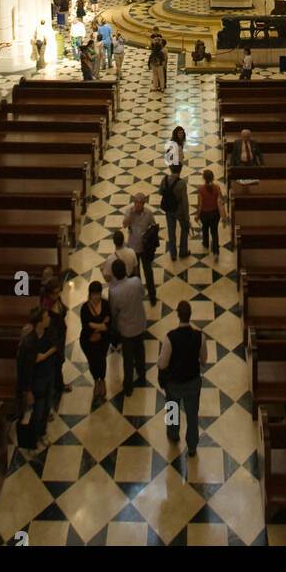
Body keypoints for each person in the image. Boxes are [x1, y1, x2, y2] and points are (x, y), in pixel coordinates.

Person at [158, 300, 207, 457]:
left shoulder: (170, 338)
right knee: (192, 416)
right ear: (190, 315)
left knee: (172, 407)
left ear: (178, 315)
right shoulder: (200, 336)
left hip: (174, 384)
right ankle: (192, 446)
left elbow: (162, 363)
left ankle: (173, 434)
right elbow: (204, 360)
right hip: (192, 382)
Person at [16, 305, 58, 457]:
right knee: (37, 412)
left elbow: (56, 346)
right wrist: (27, 391)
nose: (49, 319)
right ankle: (32, 441)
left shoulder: (49, 332)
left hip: (48, 375)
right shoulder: (29, 342)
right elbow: (24, 370)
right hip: (36, 381)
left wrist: (44, 356)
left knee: (46, 407)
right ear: (39, 322)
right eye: (46, 317)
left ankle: (43, 433)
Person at [108, 259, 147, 396]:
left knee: (128, 358)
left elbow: (113, 312)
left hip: (126, 329)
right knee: (140, 351)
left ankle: (128, 386)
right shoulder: (136, 281)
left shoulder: (114, 292)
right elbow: (143, 294)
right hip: (139, 323)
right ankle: (142, 374)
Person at [40, 272, 71, 400]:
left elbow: (62, 308)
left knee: (60, 362)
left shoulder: (56, 299)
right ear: (49, 294)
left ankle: (59, 384)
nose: (58, 295)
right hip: (53, 339)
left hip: (60, 334)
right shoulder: (46, 308)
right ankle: (56, 388)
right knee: (55, 364)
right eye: (56, 293)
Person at [123, 192, 158, 305]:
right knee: (135, 274)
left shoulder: (148, 213)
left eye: (140, 203)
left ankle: (152, 295)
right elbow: (124, 224)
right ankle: (137, 295)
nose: (137, 205)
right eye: (136, 202)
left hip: (145, 248)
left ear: (144, 203)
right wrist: (131, 215)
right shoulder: (129, 211)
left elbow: (153, 226)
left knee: (148, 271)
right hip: (133, 247)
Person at [79, 281, 112, 400]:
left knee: (102, 360)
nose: (96, 296)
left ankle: (102, 380)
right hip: (88, 341)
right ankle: (96, 381)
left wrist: (95, 326)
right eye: (94, 294)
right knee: (92, 361)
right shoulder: (84, 308)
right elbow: (86, 326)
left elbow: (108, 325)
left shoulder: (106, 305)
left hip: (103, 340)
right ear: (90, 294)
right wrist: (101, 325)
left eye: (98, 294)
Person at [159, 162, 189, 260]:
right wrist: (187, 216)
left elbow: (160, 192)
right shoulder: (181, 183)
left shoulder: (165, 179)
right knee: (184, 229)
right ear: (180, 170)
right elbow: (184, 200)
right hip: (179, 210)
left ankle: (173, 254)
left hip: (169, 209)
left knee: (171, 231)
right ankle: (183, 251)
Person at [194, 169, 227, 256]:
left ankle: (205, 243)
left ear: (204, 178)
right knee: (214, 231)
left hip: (204, 214)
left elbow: (200, 205)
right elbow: (221, 199)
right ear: (213, 178)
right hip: (215, 213)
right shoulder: (217, 187)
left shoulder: (201, 189)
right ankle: (216, 251)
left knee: (205, 229)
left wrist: (197, 216)